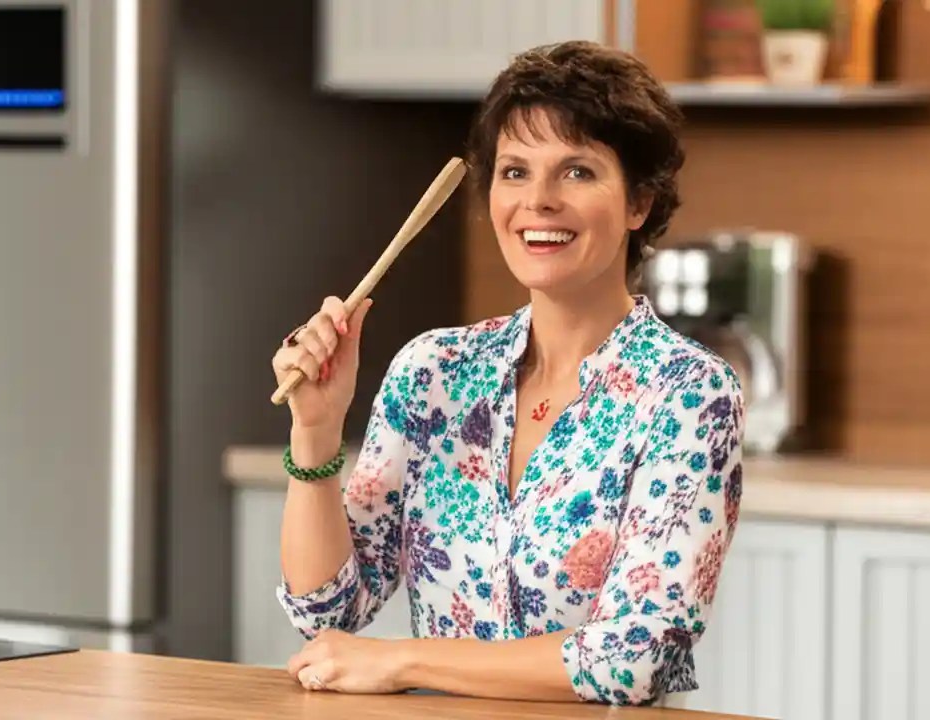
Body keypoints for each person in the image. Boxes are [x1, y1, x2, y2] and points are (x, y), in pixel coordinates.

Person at [269, 40, 744, 707]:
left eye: (577, 172)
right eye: (515, 172)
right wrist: (315, 432)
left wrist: (404, 661)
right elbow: (328, 614)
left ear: (639, 203)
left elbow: (633, 659)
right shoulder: (432, 372)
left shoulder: (690, 395)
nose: (538, 201)